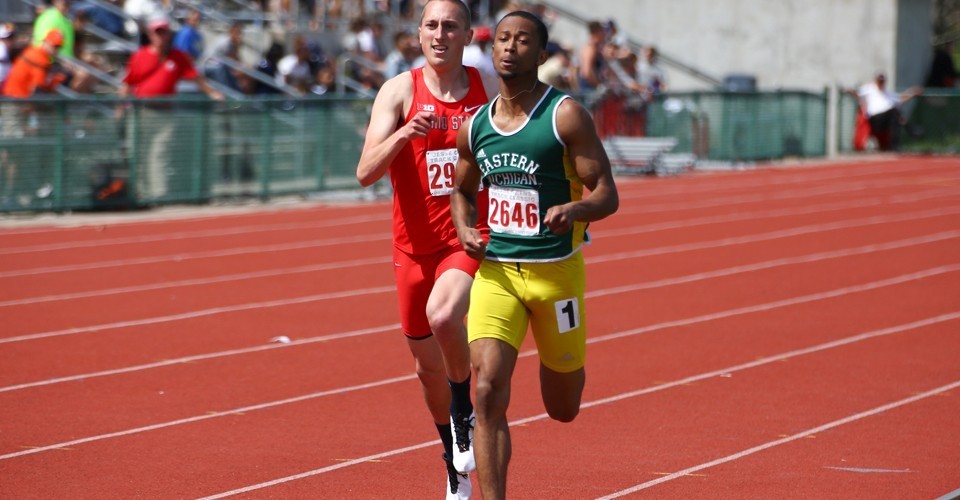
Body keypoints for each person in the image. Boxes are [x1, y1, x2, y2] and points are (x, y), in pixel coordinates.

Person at [450, 11, 619, 499]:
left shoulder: (564, 115)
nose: (509, 47)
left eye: (523, 40)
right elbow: (461, 190)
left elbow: (607, 193)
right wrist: (464, 230)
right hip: (497, 274)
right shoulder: (476, 125)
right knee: (486, 392)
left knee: (562, 407)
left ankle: (564, 367)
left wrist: (576, 208)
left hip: (556, 278)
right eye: (502, 38)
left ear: (541, 55)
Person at [355, 0, 491, 498]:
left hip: (470, 234)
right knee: (425, 368)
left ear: (468, 35)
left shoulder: (487, 88)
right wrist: (404, 134)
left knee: (444, 315)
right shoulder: (398, 90)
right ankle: (453, 466)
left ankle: (464, 408)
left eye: (450, 26)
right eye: (431, 25)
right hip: (411, 247)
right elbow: (365, 171)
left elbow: (533, 129)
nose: (440, 34)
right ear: (418, 33)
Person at [119, 15, 224, 199]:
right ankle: (139, 194)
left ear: (168, 34)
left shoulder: (177, 56)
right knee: (138, 154)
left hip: (164, 114)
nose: (160, 36)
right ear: (151, 34)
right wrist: (120, 107)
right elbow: (128, 83)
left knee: (159, 154)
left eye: (163, 32)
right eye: (157, 32)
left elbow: (196, 77)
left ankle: (157, 195)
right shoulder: (140, 55)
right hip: (141, 112)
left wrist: (212, 92)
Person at [855, 71, 922, 151]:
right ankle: (910, 129)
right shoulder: (868, 89)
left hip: (887, 119)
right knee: (895, 113)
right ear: (875, 80)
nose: (881, 83)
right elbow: (856, 93)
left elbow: (899, 99)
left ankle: (894, 144)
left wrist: (911, 92)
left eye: (882, 81)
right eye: (879, 80)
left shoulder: (887, 92)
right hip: (874, 120)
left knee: (895, 115)